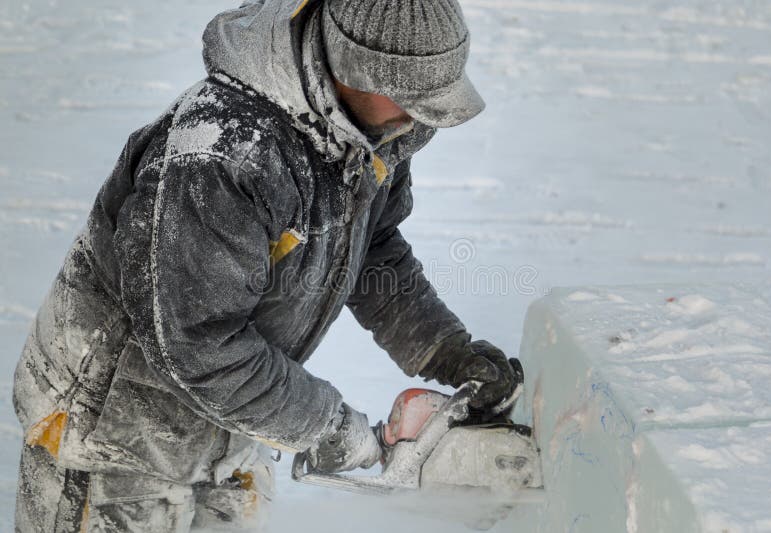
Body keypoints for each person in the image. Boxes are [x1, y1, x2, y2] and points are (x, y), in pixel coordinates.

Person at [12, 0, 520, 531]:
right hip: (110, 434)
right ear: (353, 71)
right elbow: (199, 342)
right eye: (411, 98)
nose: (419, 117)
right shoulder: (223, 155)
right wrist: (325, 426)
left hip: (234, 415)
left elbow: (370, 247)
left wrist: (444, 350)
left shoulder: (372, 131)